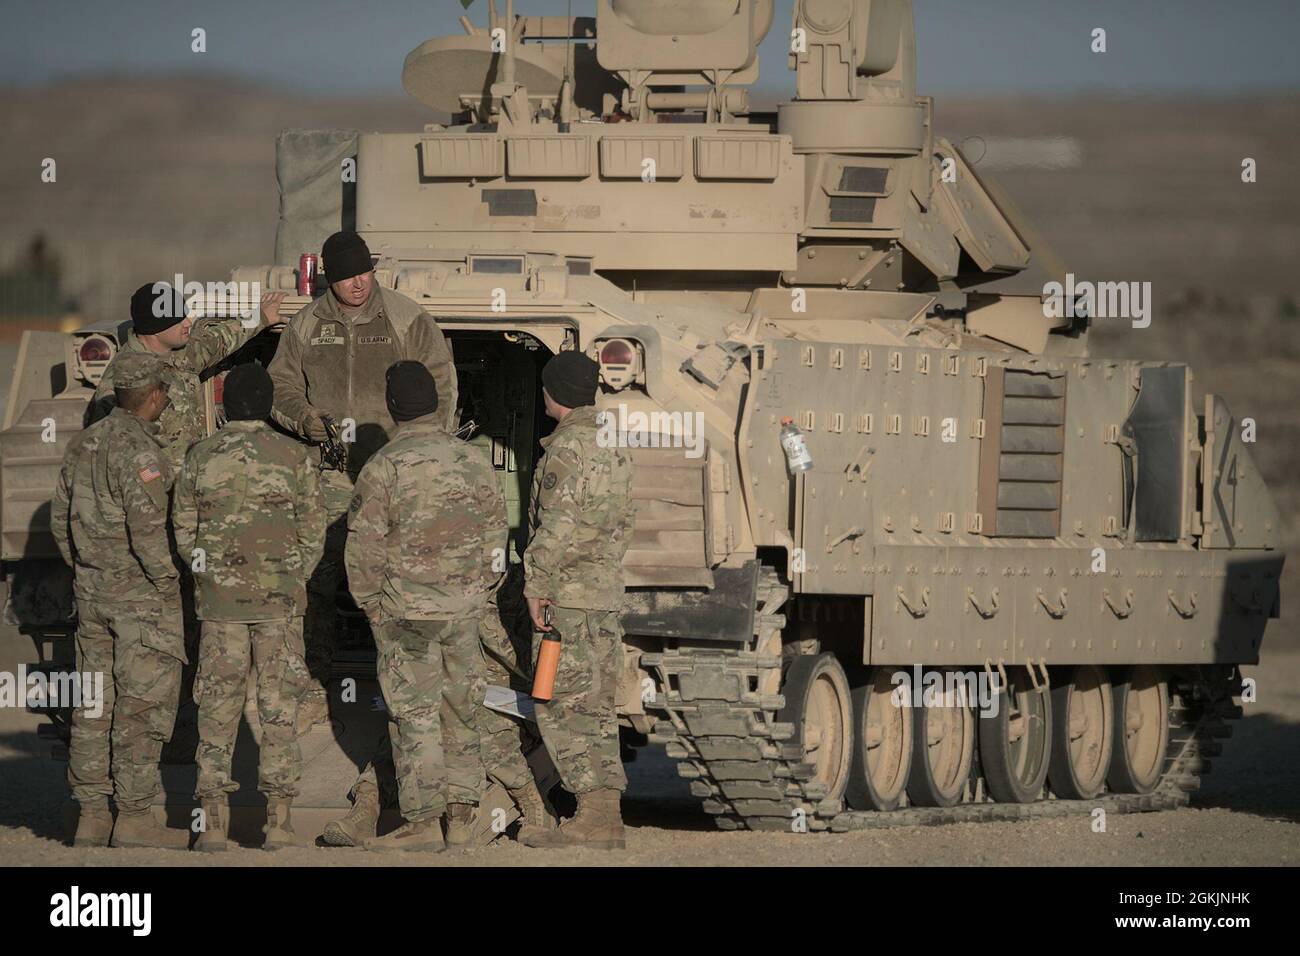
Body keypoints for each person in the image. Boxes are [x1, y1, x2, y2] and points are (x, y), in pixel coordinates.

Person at [268, 232, 458, 727]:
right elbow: (280, 385)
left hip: (396, 470)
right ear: (330, 277)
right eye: (348, 275)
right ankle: (314, 682)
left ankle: (415, 686)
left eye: (365, 272)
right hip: (331, 473)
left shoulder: (404, 316)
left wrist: (423, 447)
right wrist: (305, 418)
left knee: (403, 577)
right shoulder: (307, 324)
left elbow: (441, 380)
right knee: (319, 577)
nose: (358, 284)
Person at [343, 361, 504, 852]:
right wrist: (481, 591)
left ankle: (421, 822)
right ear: (436, 405)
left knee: (414, 715)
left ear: (394, 407)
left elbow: (363, 547)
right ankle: (461, 819)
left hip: (404, 613)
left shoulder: (383, 466)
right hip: (462, 611)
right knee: (462, 711)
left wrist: (370, 605)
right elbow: (497, 538)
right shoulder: (474, 460)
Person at [172, 363, 324, 852]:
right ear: (269, 408)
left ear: (222, 405)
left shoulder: (200, 455)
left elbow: (183, 529)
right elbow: (314, 531)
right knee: (278, 708)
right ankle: (277, 824)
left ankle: (212, 825)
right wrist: (291, 576)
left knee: (216, 709)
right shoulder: (294, 456)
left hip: (219, 605)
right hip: (280, 603)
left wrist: (207, 572)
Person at [51, 352, 190, 849]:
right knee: (139, 707)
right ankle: (133, 817)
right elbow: (149, 532)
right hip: (140, 601)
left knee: (93, 704)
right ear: (152, 396)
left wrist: (88, 570)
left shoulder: (81, 444)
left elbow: (60, 523)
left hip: (91, 595)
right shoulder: (142, 453)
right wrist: (169, 583)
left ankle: (91, 815)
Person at [520, 350, 635, 850]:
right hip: (602, 595)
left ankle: (593, 813)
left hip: (565, 599)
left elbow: (556, 525)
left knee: (558, 700)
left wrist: (535, 584)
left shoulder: (567, 449)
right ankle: (603, 815)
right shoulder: (612, 444)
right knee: (596, 704)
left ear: (555, 393)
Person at [92, 283, 285, 472]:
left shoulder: (183, 351)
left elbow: (221, 339)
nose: (188, 323)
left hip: (193, 481)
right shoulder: (121, 382)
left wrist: (261, 316)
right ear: (155, 329)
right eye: (177, 320)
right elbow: (111, 456)